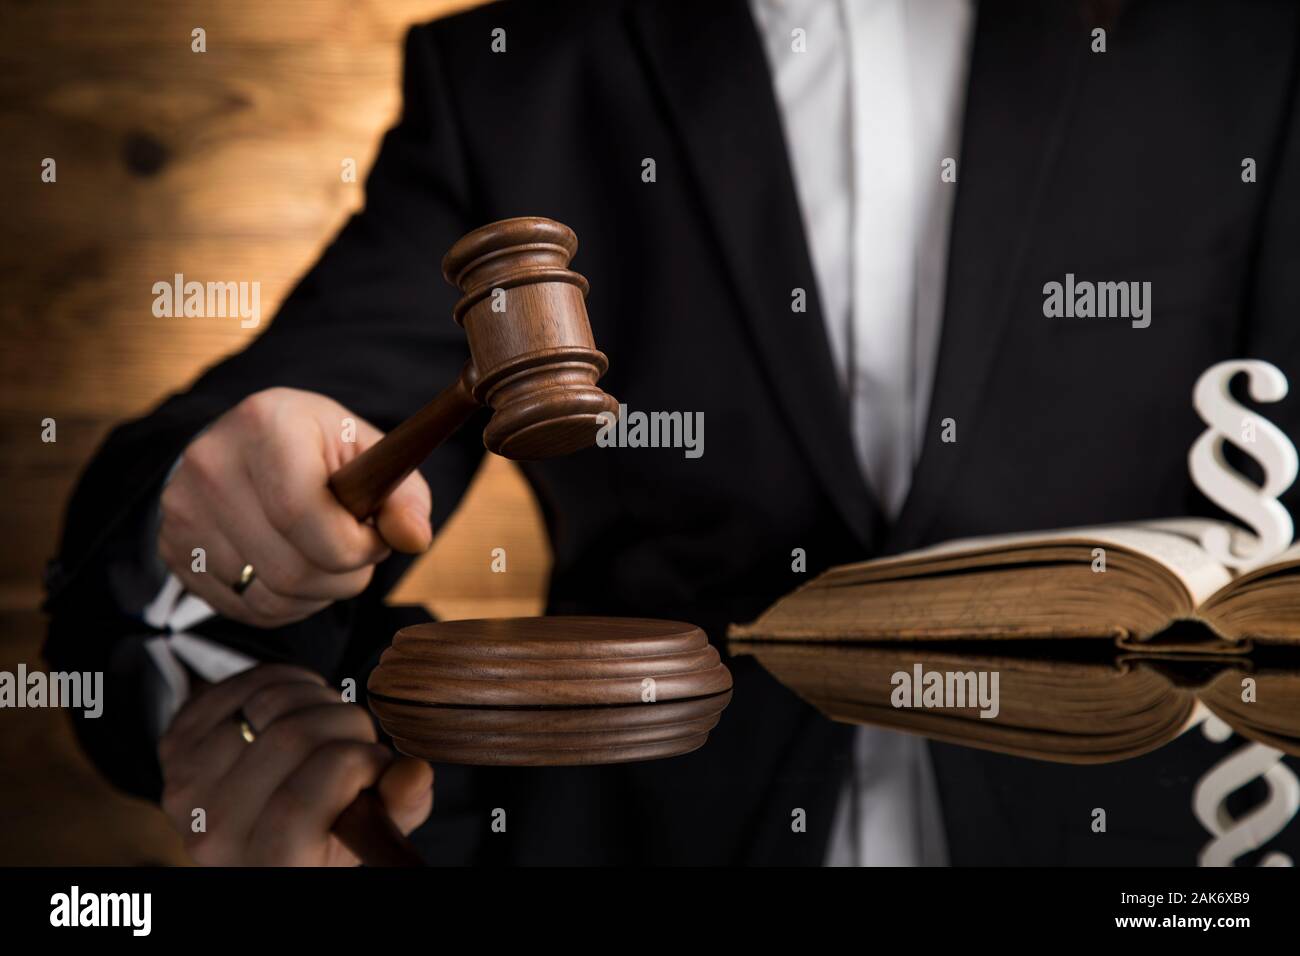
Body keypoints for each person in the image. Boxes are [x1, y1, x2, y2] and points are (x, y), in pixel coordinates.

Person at [45, 0, 1300, 865]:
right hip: (650, 794)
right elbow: (248, 447)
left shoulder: (1249, 39)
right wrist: (218, 507)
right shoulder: (519, 76)